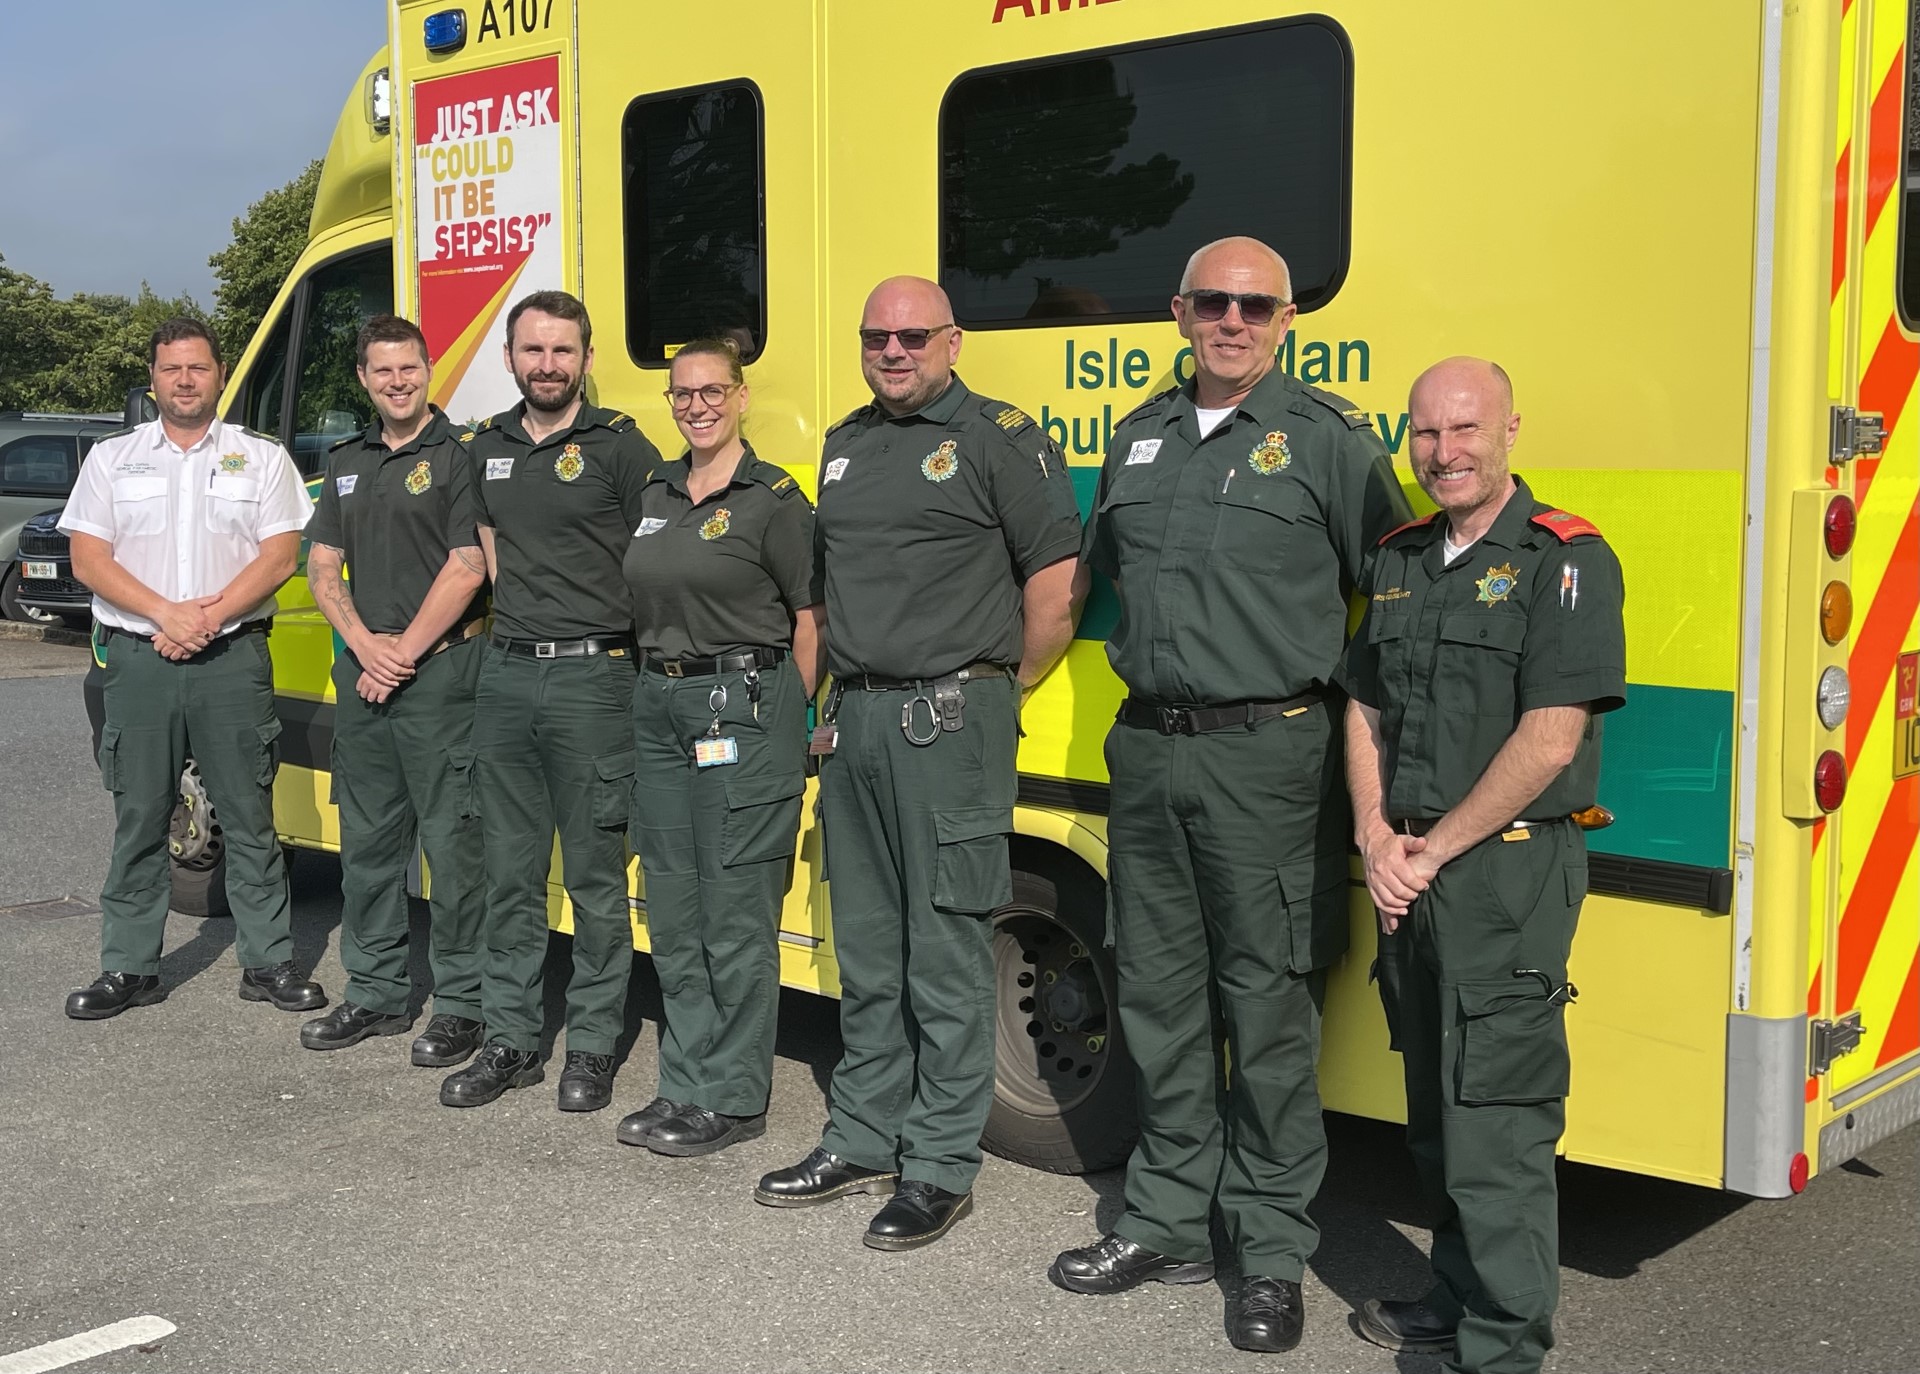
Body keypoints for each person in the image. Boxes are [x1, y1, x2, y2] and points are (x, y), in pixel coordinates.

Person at [1055, 237, 1412, 1352]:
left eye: (1255, 304)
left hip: (1273, 756)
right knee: (1159, 1002)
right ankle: (1165, 1219)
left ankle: (1267, 1254)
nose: (1233, 319)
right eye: (1212, 300)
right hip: (1151, 754)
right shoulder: (1141, 434)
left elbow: (1390, 601)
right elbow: (1098, 579)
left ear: (1287, 317)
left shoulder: (1330, 444)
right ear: (1178, 311)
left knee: (1267, 1014)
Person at [754, 276, 1082, 1251]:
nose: (892, 351)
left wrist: (989, 697)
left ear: (953, 341)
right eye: (875, 336)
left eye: (911, 336)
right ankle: (861, 1136)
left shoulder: (997, 436)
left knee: (944, 952)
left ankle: (938, 1163)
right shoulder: (846, 445)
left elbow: (1056, 588)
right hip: (856, 728)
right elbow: (835, 596)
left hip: (949, 723)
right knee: (868, 948)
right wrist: (831, 710)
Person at [1338, 357, 1624, 1374]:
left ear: (1511, 431)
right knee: (1437, 1116)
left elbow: (1551, 739)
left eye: (1465, 430)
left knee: (1499, 1126)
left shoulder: (1565, 559)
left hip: (1500, 877)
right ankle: (1456, 1298)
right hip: (1409, 867)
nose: (1443, 452)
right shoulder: (1403, 556)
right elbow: (1364, 703)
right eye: (1425, 433)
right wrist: (1376, 836)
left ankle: (1503, 1348)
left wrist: (1429, 851)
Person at [60, 318, 324, 1019]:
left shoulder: (259, 458)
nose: (185, 380)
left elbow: (279, 556)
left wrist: (206, 617)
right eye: (172, 369)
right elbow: (90, 560)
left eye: (198, 369)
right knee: (141, 814)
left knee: (250, 814)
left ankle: (268, 962)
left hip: (233, 659)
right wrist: (166, 614)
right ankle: (130, 967)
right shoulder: (112, 460)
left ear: (219, 374)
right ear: (154, 379)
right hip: (141, 660)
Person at [438, 290, 661, 1111]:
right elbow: (489, 548)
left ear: (587, 360)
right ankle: (511, 1041)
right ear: (509, 358)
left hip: (594, 681)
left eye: (563, 351)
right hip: (506, 674)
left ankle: (594, 1047)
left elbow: (657, 559)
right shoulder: (484, 446)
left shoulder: (621, 448)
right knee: (509, 872)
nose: (547, 365)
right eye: (533, 350)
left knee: (598, 875)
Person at [613, 338, 822, 1157]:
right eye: (681, 394)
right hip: (659, 704)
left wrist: (791, 723)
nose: (696, 406)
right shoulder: (657, 491)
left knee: (734, 910)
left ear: (740, 397)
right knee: (673, 903)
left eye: (711, 392)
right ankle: (684, 1082)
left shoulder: (771, 499)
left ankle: (732, 1099)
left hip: (743, 708)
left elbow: (811, 620)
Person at [297, 315, 490, 1066]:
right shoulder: (347, 461)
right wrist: (363, 647)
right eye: (382, 371)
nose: (398, 381)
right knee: (369, 845)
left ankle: (464, 1006)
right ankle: (375, 993)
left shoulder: (460, 456)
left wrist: (399, 653)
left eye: (409, 368)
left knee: (454, 846)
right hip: (367, 675)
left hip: (440, 674)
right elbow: (322, 566)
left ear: (429, 367)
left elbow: (469, 565)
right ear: (364, 381)